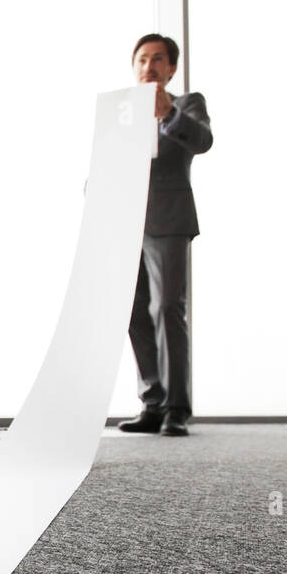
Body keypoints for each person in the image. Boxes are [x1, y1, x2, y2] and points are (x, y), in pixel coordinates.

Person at [118, 34, 213, 437]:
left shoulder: (188, 104)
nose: (149, 66)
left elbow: (203, 141)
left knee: (167, 309)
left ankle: (177, 408)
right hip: (124, 225)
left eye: (158, 59)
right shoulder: (123, 112)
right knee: (135, 312)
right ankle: (153, 403)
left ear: (171, 67)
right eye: (142, 59)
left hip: (169, 221)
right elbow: (110, 160)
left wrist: (169, 113)